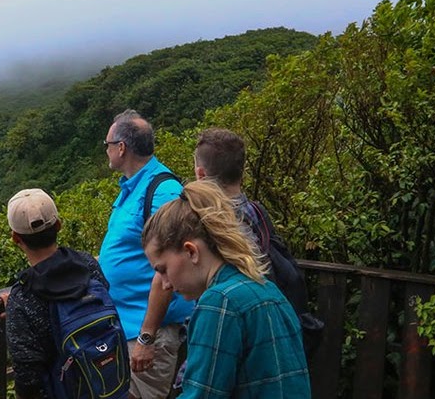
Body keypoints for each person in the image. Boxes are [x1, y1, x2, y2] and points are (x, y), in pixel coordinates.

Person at [142, 180, 311, 398]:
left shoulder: (219, 303)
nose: (164, 283)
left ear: (191, 252)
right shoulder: (268, 289)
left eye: (163, 269)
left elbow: (202, 394)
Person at [193, 127, 322, 354]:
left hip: (237, 336)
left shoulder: (211, 225)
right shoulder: (257, 212)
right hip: (276, 328)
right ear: (241, 173)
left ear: (201, 175)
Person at [99, 110, 194, 398]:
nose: (107, 151)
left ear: (122, 147)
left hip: (147, 330)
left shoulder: (163, 190)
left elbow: (171, 268)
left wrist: (146, 336)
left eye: (108, 145)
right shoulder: (132, 186)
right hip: (124, 325)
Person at [0, 188, 123, 399]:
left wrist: (14, 312)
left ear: (15, 238)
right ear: (58, 225)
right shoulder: (87, 263)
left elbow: (28, 376)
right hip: (107, 383)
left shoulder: (24, 298)